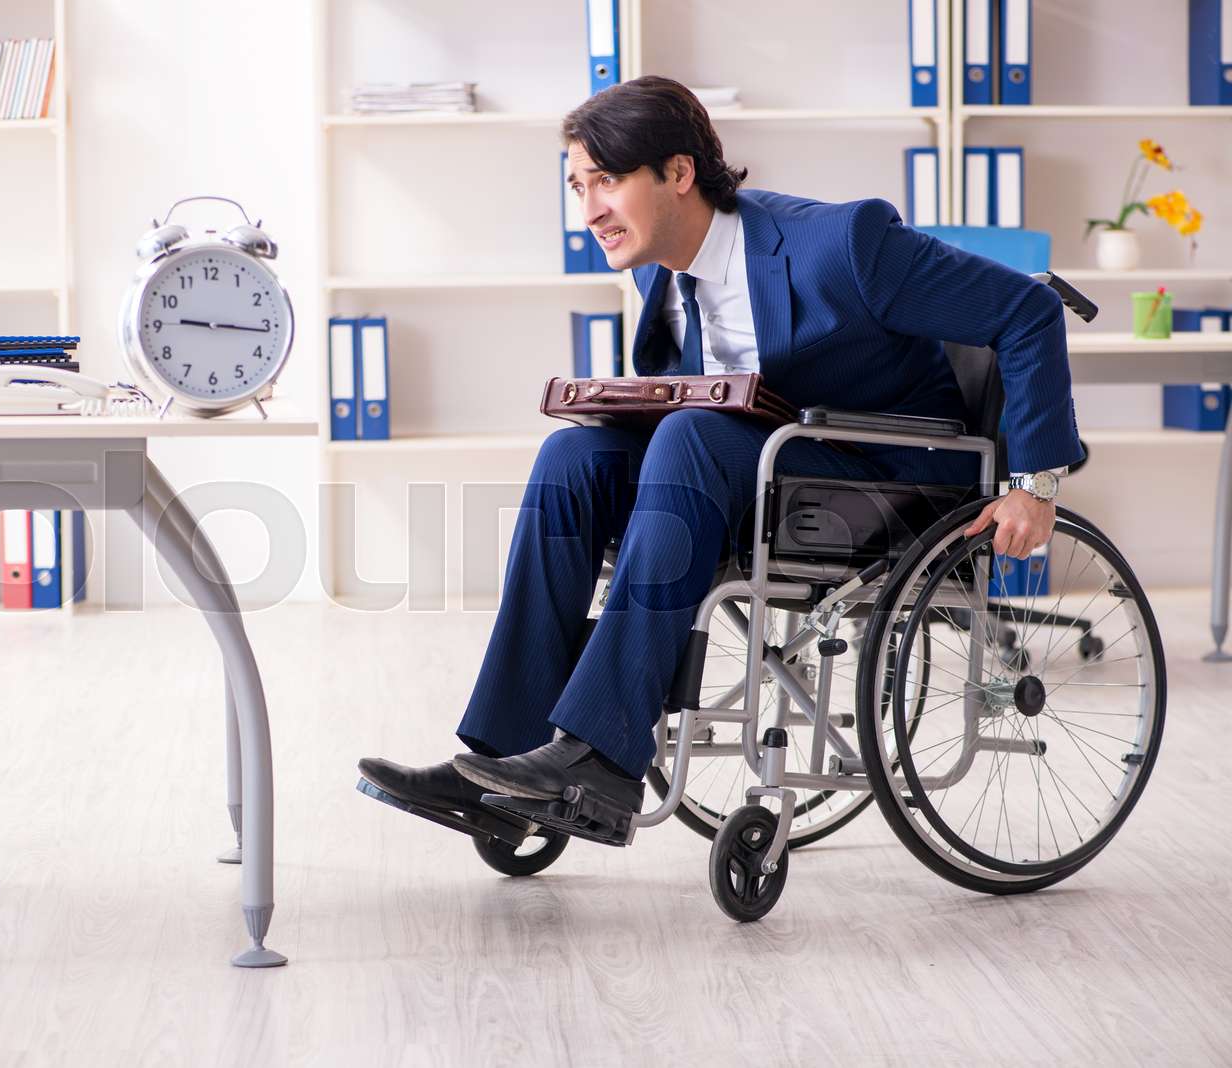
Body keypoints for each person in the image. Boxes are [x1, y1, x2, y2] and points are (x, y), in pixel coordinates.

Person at [358, 75, 1083, 832]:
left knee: (691, 435)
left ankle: (601, 761)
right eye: (577, 187)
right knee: (571, 459)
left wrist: (1033, 483)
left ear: (677, 173)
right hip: (758, 476)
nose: (588, 211)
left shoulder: (843, 245)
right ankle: (505, 757)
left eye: (605, 182)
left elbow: (1027, 312)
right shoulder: (656, 271)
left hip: (888, 484)